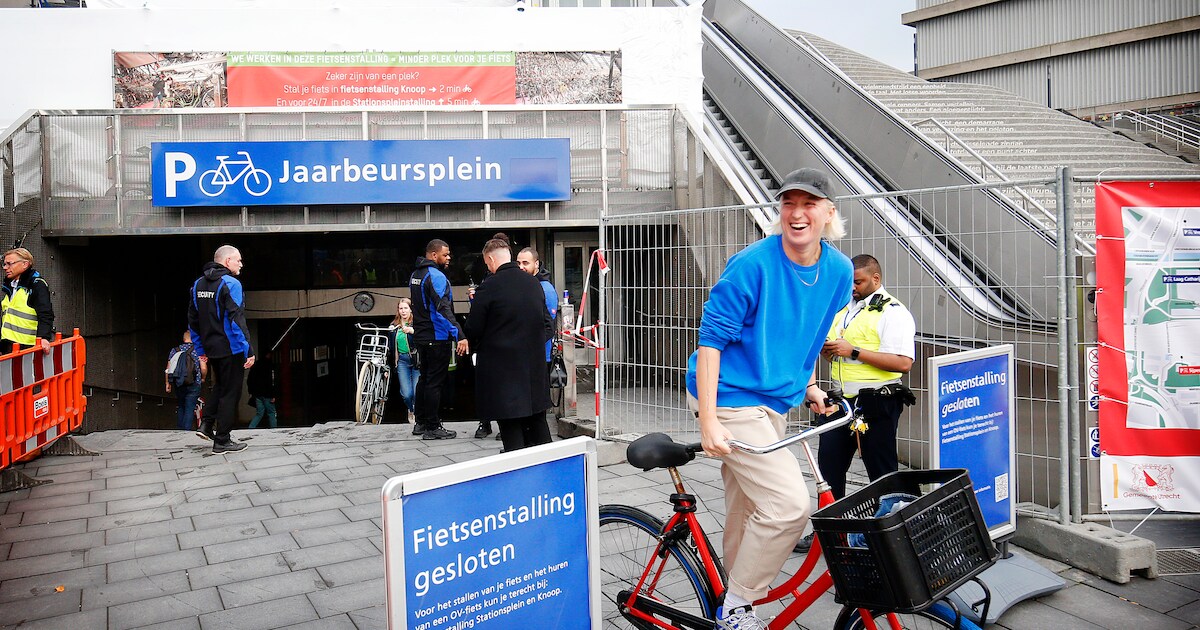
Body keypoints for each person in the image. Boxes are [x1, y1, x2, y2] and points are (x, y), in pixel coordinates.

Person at [686, 168, 852, 630]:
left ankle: (732, 597)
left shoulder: (838, 271)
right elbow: (710, 342)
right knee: (788, 505)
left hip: (772, 404)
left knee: (748, 506)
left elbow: (808, 335)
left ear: (828, 213)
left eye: (809, 204)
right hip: (728, 397)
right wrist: (707, 422)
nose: (797, 214)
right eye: (788, 204)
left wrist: (809, 386)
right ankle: (740, 604)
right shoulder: (752, 264)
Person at [794, 255, 917, 551]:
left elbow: (904, 362)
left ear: (876, 279)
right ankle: (830, 534)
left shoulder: (893, 312)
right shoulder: (843, 308)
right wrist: (831, 352)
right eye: (850, 282)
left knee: (881, 471)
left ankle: (888, 535)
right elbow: (832, 345)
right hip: (839, 401)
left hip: (877, 400)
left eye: (858, 282)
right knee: (829, 467)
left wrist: (853, 351)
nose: (852, 288)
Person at [464, 239, 554, 452]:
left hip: (503, 372)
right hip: (533, 368)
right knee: (538, 422)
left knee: (511, 426)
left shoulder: (488, 287)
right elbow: (546, 324)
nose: (487, 267)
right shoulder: (534, 284)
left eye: (487, 263)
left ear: (491, 259)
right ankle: (551, 469)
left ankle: (518, 473)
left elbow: (473, 328)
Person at [189, 245, 255, 453]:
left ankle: (207, 425)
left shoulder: (197, 285)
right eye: (238, 260)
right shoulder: (231, 283)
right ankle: (223, 440)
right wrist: (248, 350)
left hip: (211, 347)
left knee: (220, 386)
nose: (241, 264)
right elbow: (237, 320)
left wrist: (201, 349)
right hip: (231, 348)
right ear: (227, 262)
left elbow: (193, 321)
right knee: (231, 392)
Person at [410, 239, 468, 440]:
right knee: (434, 383)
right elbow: (443, 309)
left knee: (424, 379)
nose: (449, 257)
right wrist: (459, 334)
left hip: (421, 336)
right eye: (446, 254)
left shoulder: (415, 275)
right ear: (434, 255)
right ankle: (433, 427)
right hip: (437, 337)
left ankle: (420, 423)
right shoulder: (436, 276)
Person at [1, 247, 55, 356]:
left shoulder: (36, 285)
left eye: (9, 264)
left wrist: (44, 338)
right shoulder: (10, 286)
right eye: (4, 264)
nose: (5, 268)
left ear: (25, 264)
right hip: (9, 346)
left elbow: (45, 313)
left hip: (28, 347)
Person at [166, 330, 206, 431]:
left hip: (179, 382)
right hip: (194, 383)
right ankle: (186, 432)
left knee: (181, 406)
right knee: (190, 407)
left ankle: (180, 430)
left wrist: (168, 383)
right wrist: (203, 378)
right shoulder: (198, 350)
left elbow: (168, 368)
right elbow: (204, 368)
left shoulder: (175, 350)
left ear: (184, 339)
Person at [391, 297, 419, 424]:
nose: (403, 311)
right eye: (400, 308)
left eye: (405, 308)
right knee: (407, 394)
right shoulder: (394, 326)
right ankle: (411, 410)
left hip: (416, 361)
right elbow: (390, 348)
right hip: (402, 361)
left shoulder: (417, 323)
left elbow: (425, 337)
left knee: (417, 391)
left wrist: (412, 331)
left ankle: (418, 412)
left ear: (411, 309)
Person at [247, 350, 279, 429]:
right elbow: (272, 381)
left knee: (259, 413)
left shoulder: (256, 365)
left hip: (257, 394)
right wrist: (274, 394)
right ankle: (274, 430)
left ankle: (250, 428)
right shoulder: (270, 366)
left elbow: (250, 379)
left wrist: (251, 392)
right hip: (268, 394)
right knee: (271, 413)